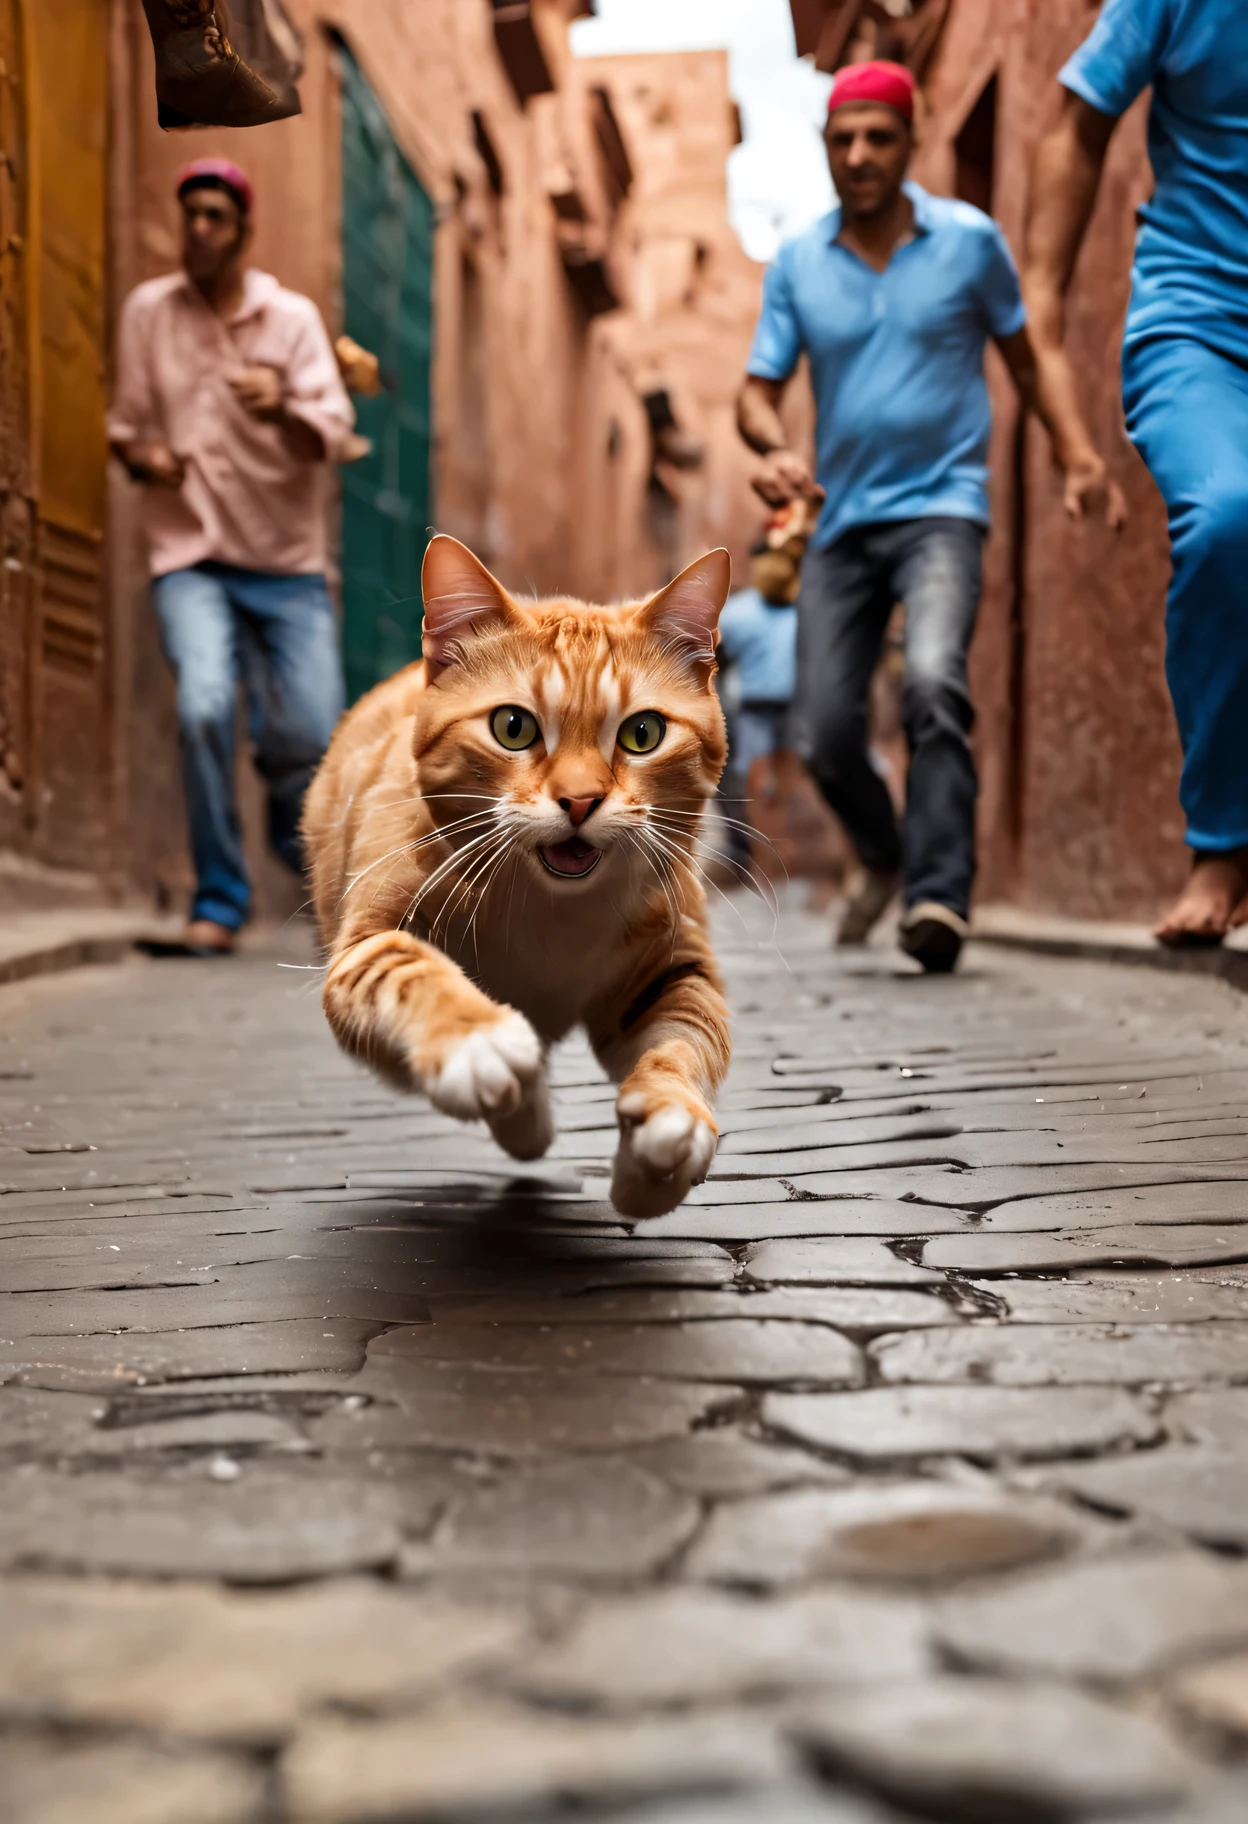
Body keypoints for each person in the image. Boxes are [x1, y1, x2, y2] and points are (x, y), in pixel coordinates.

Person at [738, 59, 1120, 972]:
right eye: (842, 139)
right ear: (825, 148)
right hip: (839, 523)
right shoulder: (799, 262)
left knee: (933, 682)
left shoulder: (969, 243)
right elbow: (756, 393)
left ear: (911, 143)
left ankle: (940, 895)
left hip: (945, 507)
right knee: (823, 732)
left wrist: (1073, 452)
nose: (859, 155)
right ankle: (883, 853)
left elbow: (1027, 359)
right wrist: (773, 449)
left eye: (878, 137)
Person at [1025, 0, 1248, 946]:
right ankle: (1226, 843)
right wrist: (1041, 292)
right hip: (1199, 318)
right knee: (1231, 517)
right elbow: (1078, 124)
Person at [109, 158, 356, 956]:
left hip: (285, 564)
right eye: (193, 216)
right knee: (204, 706)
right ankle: (219, 897)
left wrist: (282, 406)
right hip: (191, 553)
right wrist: (147, 458)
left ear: (246, 231)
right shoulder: (149, 311)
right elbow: (128, 426)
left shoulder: (290, 321)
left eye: (218, 216)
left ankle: (311, 859)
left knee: (310, 737)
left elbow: (333, 430)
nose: (202, 230)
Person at [717, 534, 802, 854]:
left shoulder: (806, 609)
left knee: (792, 778)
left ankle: (787, 852)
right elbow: (715, 659)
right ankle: (752, 850)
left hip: (796, 707)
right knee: (752, 780)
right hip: (752, 708)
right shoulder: (739, 613)